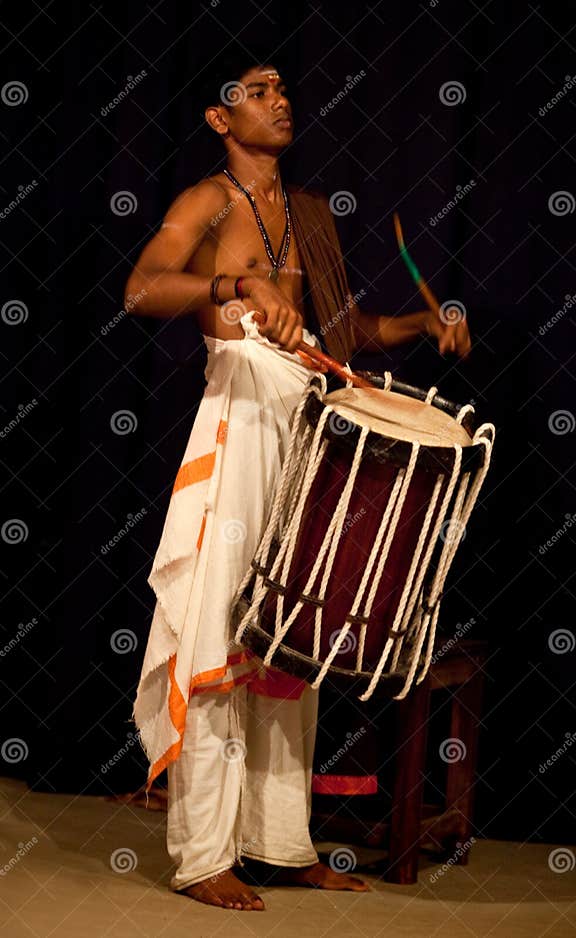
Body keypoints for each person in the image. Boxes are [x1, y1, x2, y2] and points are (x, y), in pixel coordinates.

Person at [126, 52, 471, 913]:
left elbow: (339, 329)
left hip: (303, 432)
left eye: (285, 89)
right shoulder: (210, 201)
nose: (282, 101)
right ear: (219, 117)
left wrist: (418, 325)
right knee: (218, 633)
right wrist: (235, 284)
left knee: (286, 639)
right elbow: (142, 290)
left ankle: (278, 842)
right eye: (259, 91)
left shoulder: (311, 212)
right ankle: (204, 852)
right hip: (236, 426)